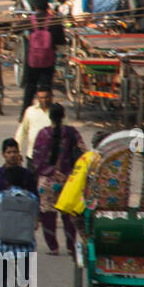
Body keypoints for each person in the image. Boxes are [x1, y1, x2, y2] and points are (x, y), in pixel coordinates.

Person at [30, 103, 82, 256]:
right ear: (64, 116)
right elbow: (83, 152)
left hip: (47, 182)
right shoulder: (72, 133)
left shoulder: (43, 134)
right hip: (68, 181)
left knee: (48, 214)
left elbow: (36, 159)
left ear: (49, 117)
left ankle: (53, 247)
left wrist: (52, 171)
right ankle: (70, 246)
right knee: (68, 214)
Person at [22, 0, 65, 112]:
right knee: (47, 87)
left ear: (35, 7)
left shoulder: (30, 20)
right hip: (48, 60)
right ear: (47, 6)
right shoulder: (55, 21)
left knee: (30, 87)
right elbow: (61, 41)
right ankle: (48, 113)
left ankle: (24, 114)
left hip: (33, 61)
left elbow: (16, 29)